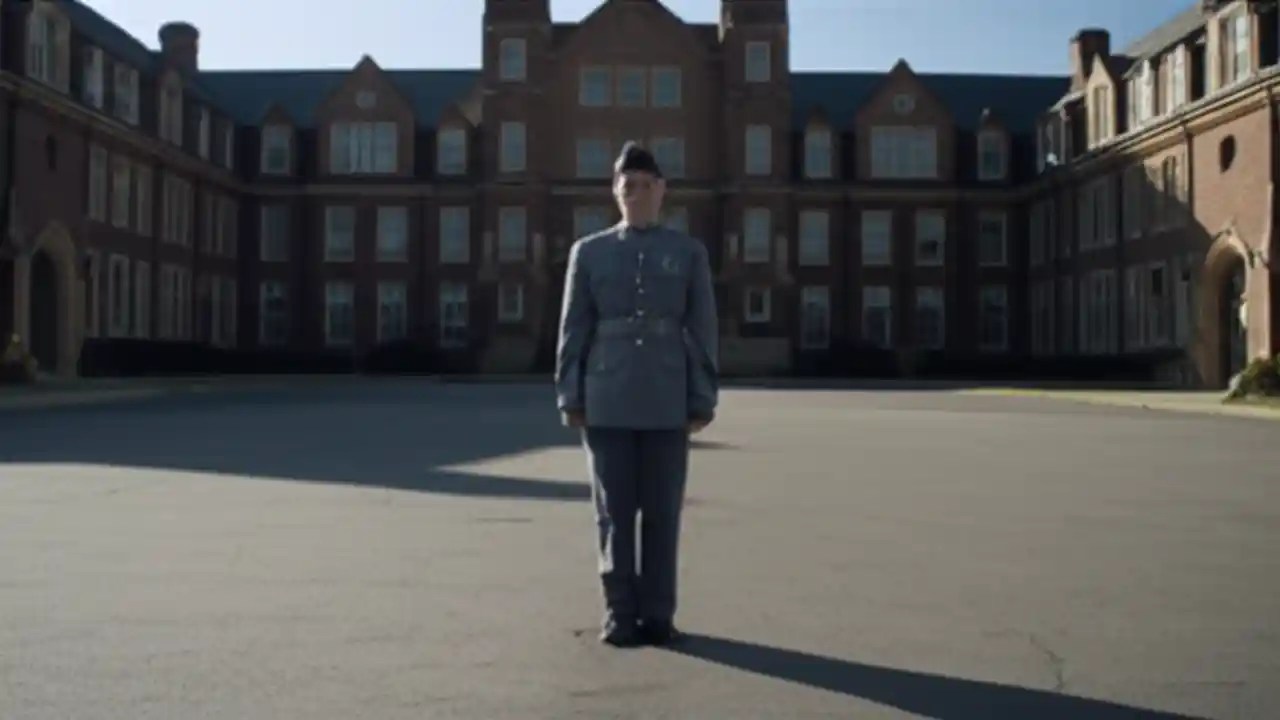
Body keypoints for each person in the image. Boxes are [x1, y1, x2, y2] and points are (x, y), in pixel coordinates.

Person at [554, 141, 719, 648]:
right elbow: (573, 327)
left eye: (647, 185)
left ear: (662, 191)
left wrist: (702, 398)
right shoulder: (590, 251)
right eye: (629, 186)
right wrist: (570, 395)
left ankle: (658, 616)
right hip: (606, 395)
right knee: (613, 513)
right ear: (615, 192)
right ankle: (619, 614)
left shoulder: (688, 253)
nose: (637, 193)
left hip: (668, 395)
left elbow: (703, 328)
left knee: (663, 512)